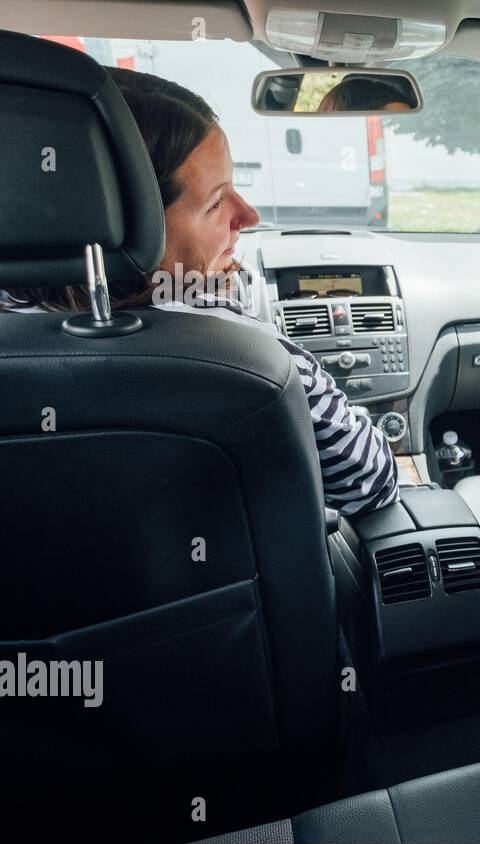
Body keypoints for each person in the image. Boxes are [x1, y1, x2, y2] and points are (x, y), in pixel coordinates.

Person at [0, 68, 398, 518]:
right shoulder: (245, 356)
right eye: (215, 203)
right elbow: (370, 482)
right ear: (126, 228)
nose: (248, 216)